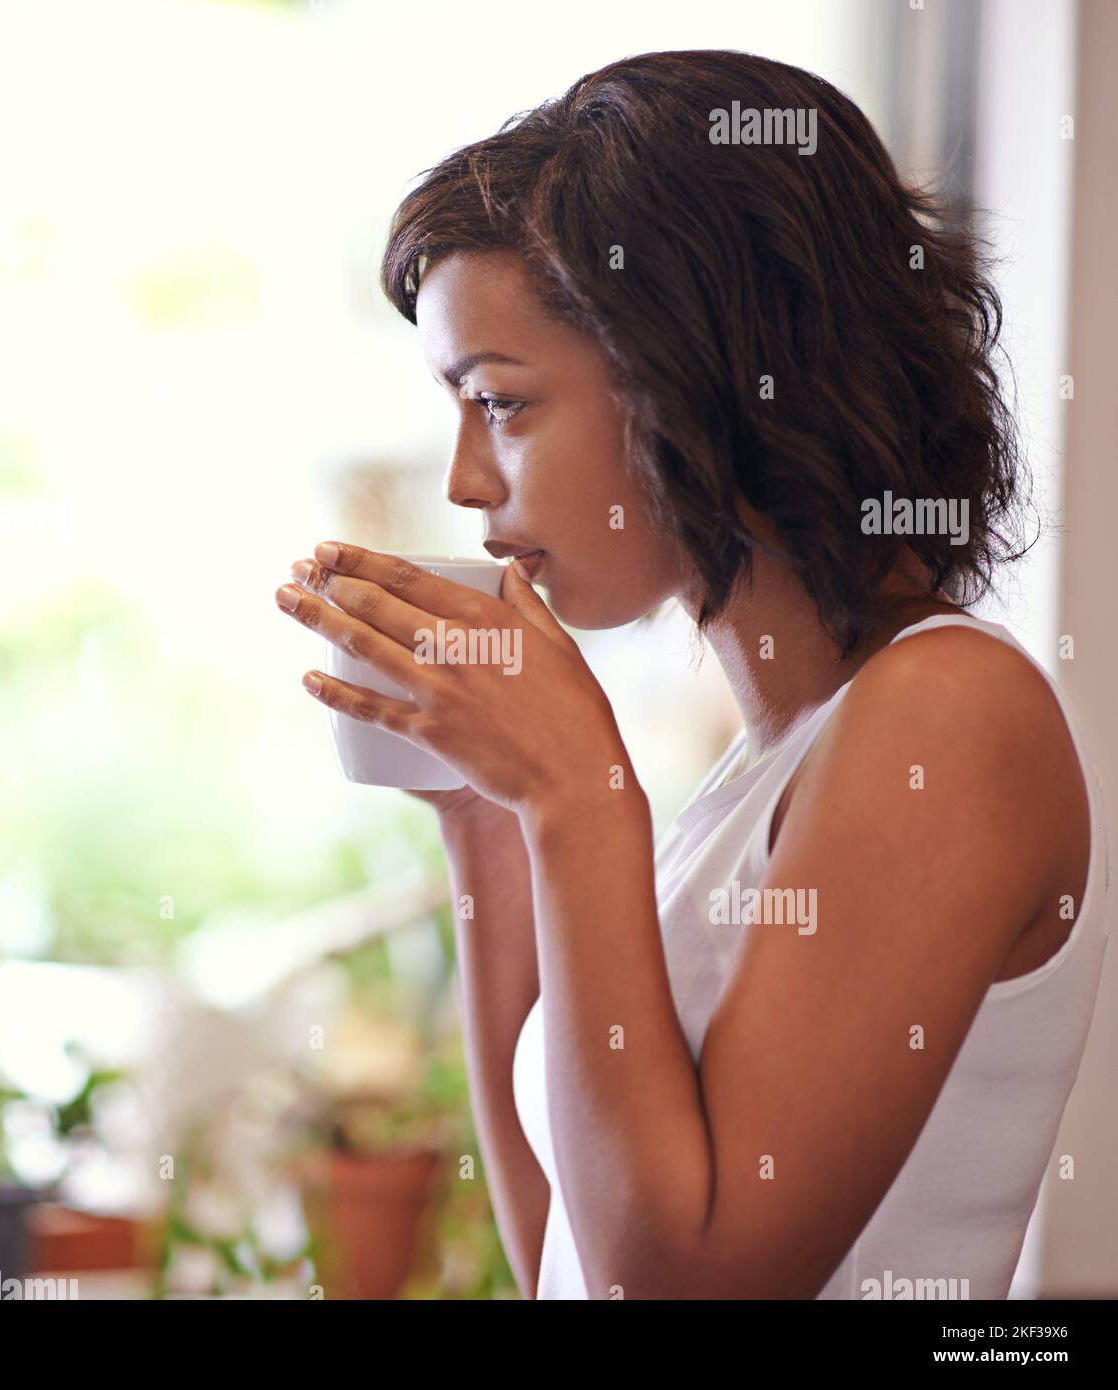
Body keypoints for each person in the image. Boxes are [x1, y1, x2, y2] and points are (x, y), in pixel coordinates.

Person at [273, 50, 1109, 1299]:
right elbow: (568, 1244)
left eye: (498, 404)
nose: (463, 481)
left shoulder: (947, 717)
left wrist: (578, 796)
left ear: (690, 378)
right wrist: (487, 818)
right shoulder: (768, 761)